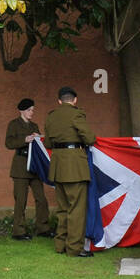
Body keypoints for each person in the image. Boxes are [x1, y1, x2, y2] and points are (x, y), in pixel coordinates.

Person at [43, 86, 95, 258]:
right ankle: (74, 248)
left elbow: (48, 143)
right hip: (75, 167)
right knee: (77, 209)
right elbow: (90, 138)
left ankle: (60, 245)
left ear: (59, 101)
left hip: (58, 166)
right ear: (74, 100)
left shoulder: (51, 116)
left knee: (63, 208)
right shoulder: (76, 114)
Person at [5, 98, 51, 240]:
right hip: (20, 166)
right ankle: (18, 231)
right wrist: (24, 140)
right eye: (29, 110)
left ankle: (43, 228)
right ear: (22, 111)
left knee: (41, 199)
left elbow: (40, 145)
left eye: (32, 110)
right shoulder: (13, 124)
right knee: (21, 200)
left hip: (34, 166)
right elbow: (9, 143)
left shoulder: (34, 125)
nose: (32, 112)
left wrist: (39, 137)